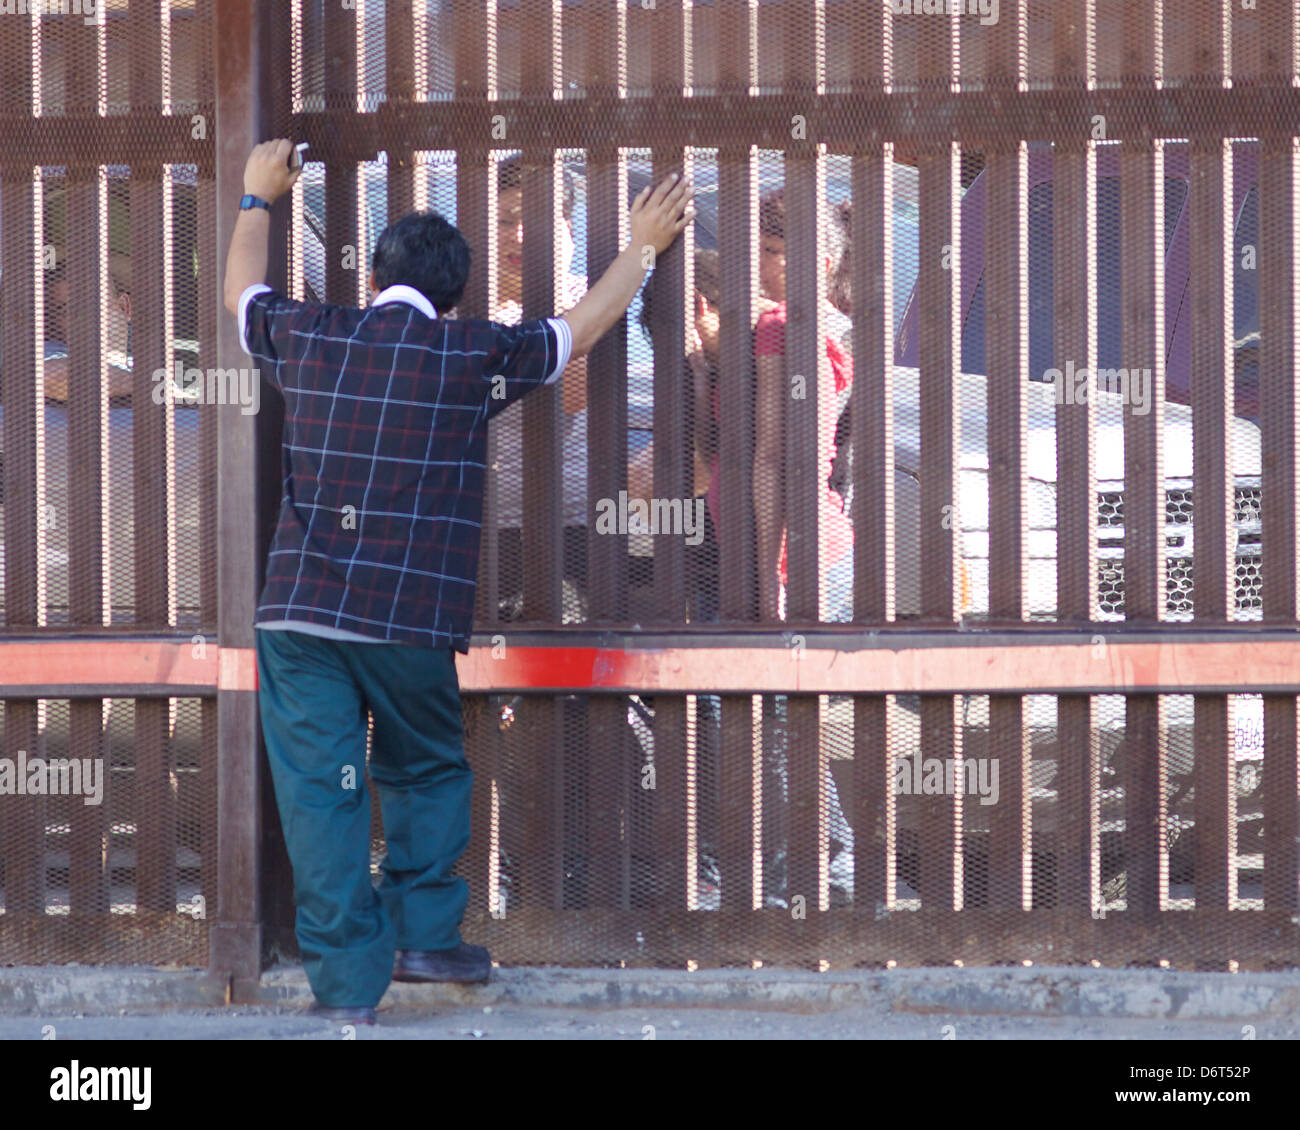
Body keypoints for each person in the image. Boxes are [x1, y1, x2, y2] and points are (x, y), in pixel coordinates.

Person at [223, 138, 692, 1025]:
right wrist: (641, 246)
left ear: (373, 277)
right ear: (455, 294)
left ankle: (348, 995)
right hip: (409, 619)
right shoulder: (471, 353)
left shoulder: (312, 336)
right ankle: (427, 937)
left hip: (302, 614)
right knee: (425, 771)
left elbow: (238, 293)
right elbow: (578, 331)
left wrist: (258, 199)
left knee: (322, 793)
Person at [489, 156, 590, 621]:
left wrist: (551, 290)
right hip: (484, 524)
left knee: (568, 680)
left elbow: (574, 396)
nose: (519, 236)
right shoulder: (463, 302)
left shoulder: (584, 299)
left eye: (536, 222)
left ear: (566, 228)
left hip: (572, 523)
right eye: (506, 220)